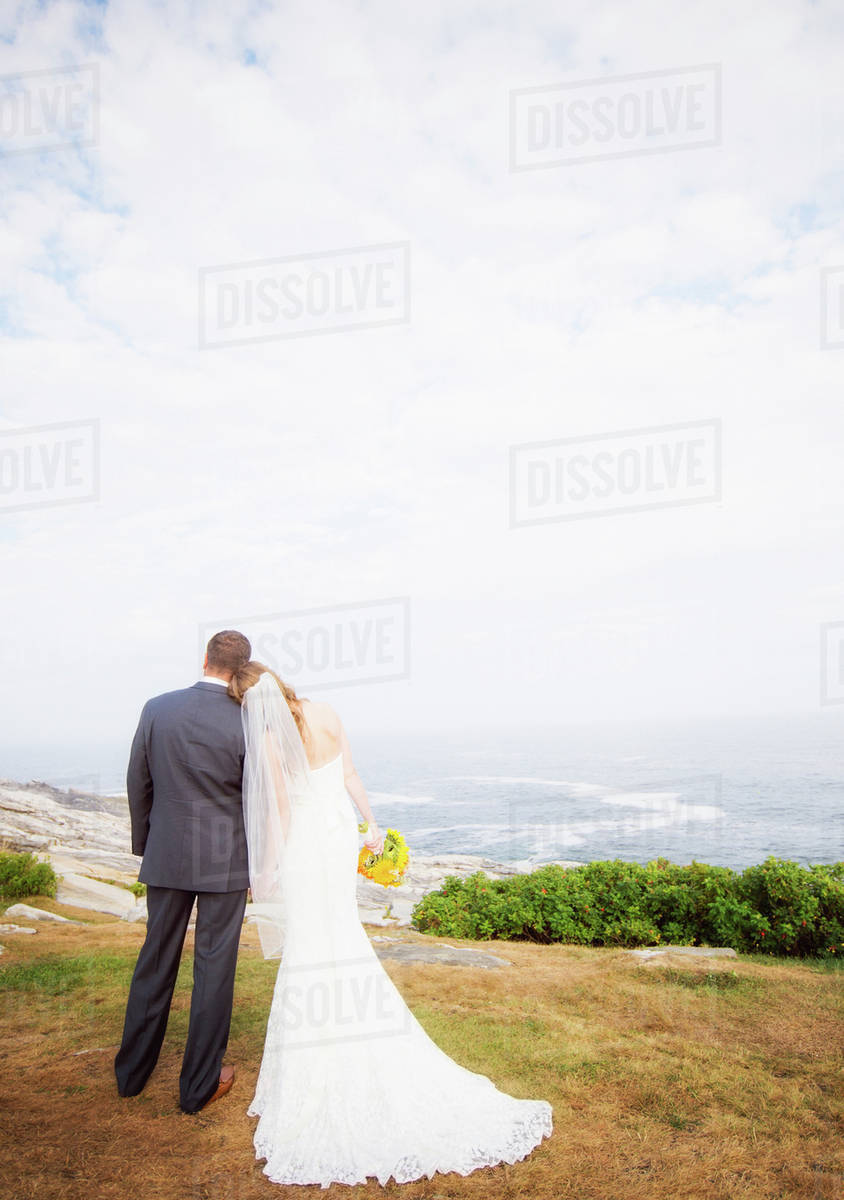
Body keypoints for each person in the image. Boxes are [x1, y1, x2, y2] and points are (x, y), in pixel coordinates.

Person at [232, 660, 553, 1188]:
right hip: (339, 832)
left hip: (306, 842)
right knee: (342, 932)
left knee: (312, 941)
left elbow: (282, 810)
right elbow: (350, 774)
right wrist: (371, 826)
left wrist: (264, 869)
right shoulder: (325, 711)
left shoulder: (271, 737)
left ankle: (323, 1050)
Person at [114, 630, 253, 1114]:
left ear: (205, 659)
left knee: (155, 959)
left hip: (167, 853)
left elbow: (138, 780)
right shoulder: (247, 718)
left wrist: (145, 844)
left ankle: (130, 1076)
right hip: (226, 860)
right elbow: (256, 798)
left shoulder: (157, 708)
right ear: (240, 669)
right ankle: (197, 1088)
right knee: (214, 969)